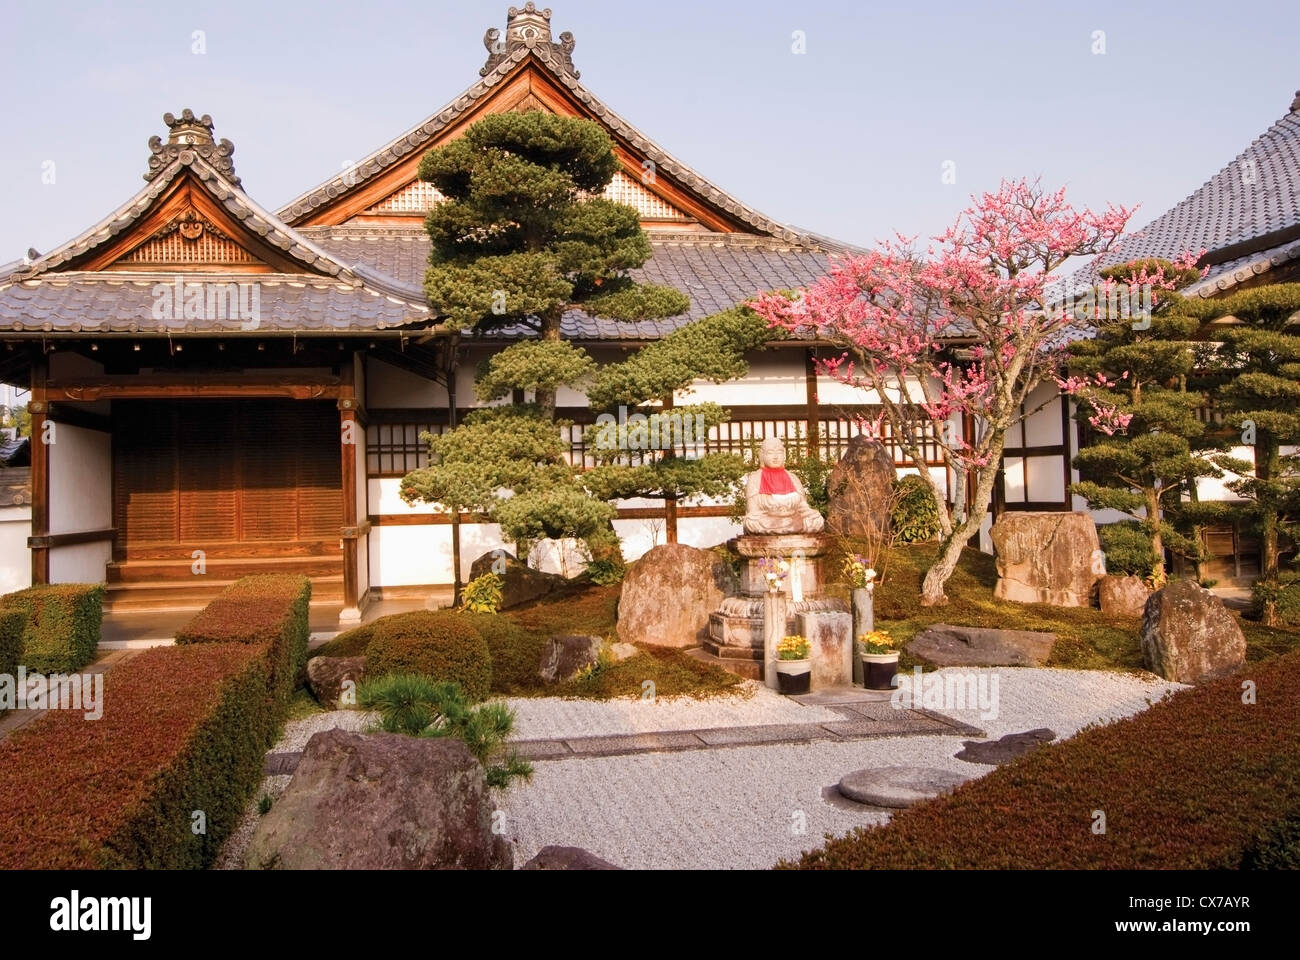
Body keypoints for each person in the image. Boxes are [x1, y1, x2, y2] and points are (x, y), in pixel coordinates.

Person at [742, 437, 825, 535]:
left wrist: (809, 512)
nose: (775, 457)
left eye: (779, 452)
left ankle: (785, 529)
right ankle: (785, 529)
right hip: (768, 521)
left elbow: (803, 507)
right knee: (751, 522)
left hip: (794, 518)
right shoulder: (755, 478)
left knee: (817, 519)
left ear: (784, 454)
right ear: (761, 455)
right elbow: (753, 512)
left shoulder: (793, 477)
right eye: (770, 452)